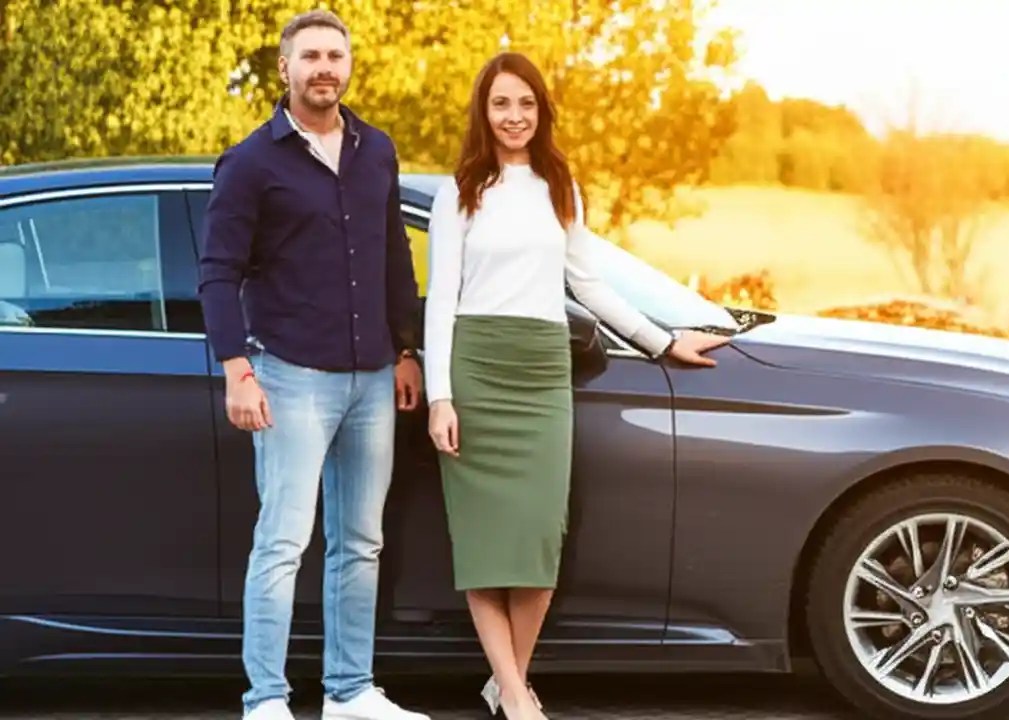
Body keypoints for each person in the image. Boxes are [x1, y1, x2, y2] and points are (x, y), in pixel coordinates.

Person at [422, 51, 730, 720]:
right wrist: (441, 396)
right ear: (484, 110)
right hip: (477, 370)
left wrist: (664, 340)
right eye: (502, 104)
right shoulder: (460, 190)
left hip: (540, 375)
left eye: (526, 104)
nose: (514, 116)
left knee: (537, 550)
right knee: (482, 549)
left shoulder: (560, 185)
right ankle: (515, 694)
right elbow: (440, 298)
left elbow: (589, 284)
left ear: (541, 111)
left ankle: (506, 681)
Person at [197, 9, 429, 720]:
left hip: (370, 381)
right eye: (311, 57)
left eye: (335, 55)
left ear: (348, 65)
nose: (324, 67)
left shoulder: (376, 151)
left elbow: (395, 259)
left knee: (360, 542)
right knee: (283, 542)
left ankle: (350, 692)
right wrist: (237, 369)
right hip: (290, 378)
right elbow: (216, 273)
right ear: (285, 69)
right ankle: (265, 700)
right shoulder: (250, 163)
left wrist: (407, 349)